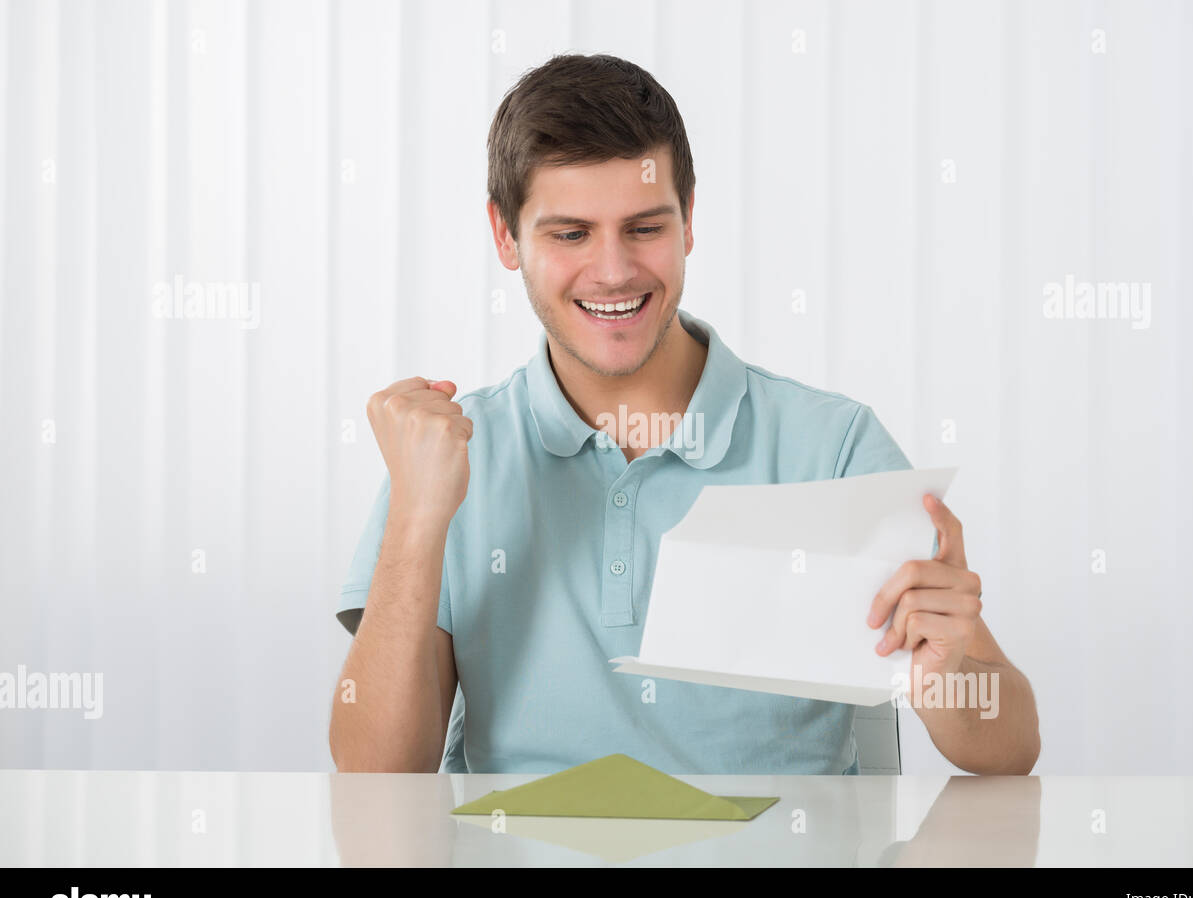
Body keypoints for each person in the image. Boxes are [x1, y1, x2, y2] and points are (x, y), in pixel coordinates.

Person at [329, 53, 1039, 775]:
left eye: (644, 228)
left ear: (690, 219)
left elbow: (1009, 751)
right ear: (505, 236)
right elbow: (376, 774)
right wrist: (419, 520)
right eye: (570, 233)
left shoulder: (832, 447)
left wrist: (949, 667)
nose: (612, 270)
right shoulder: (449, 454)